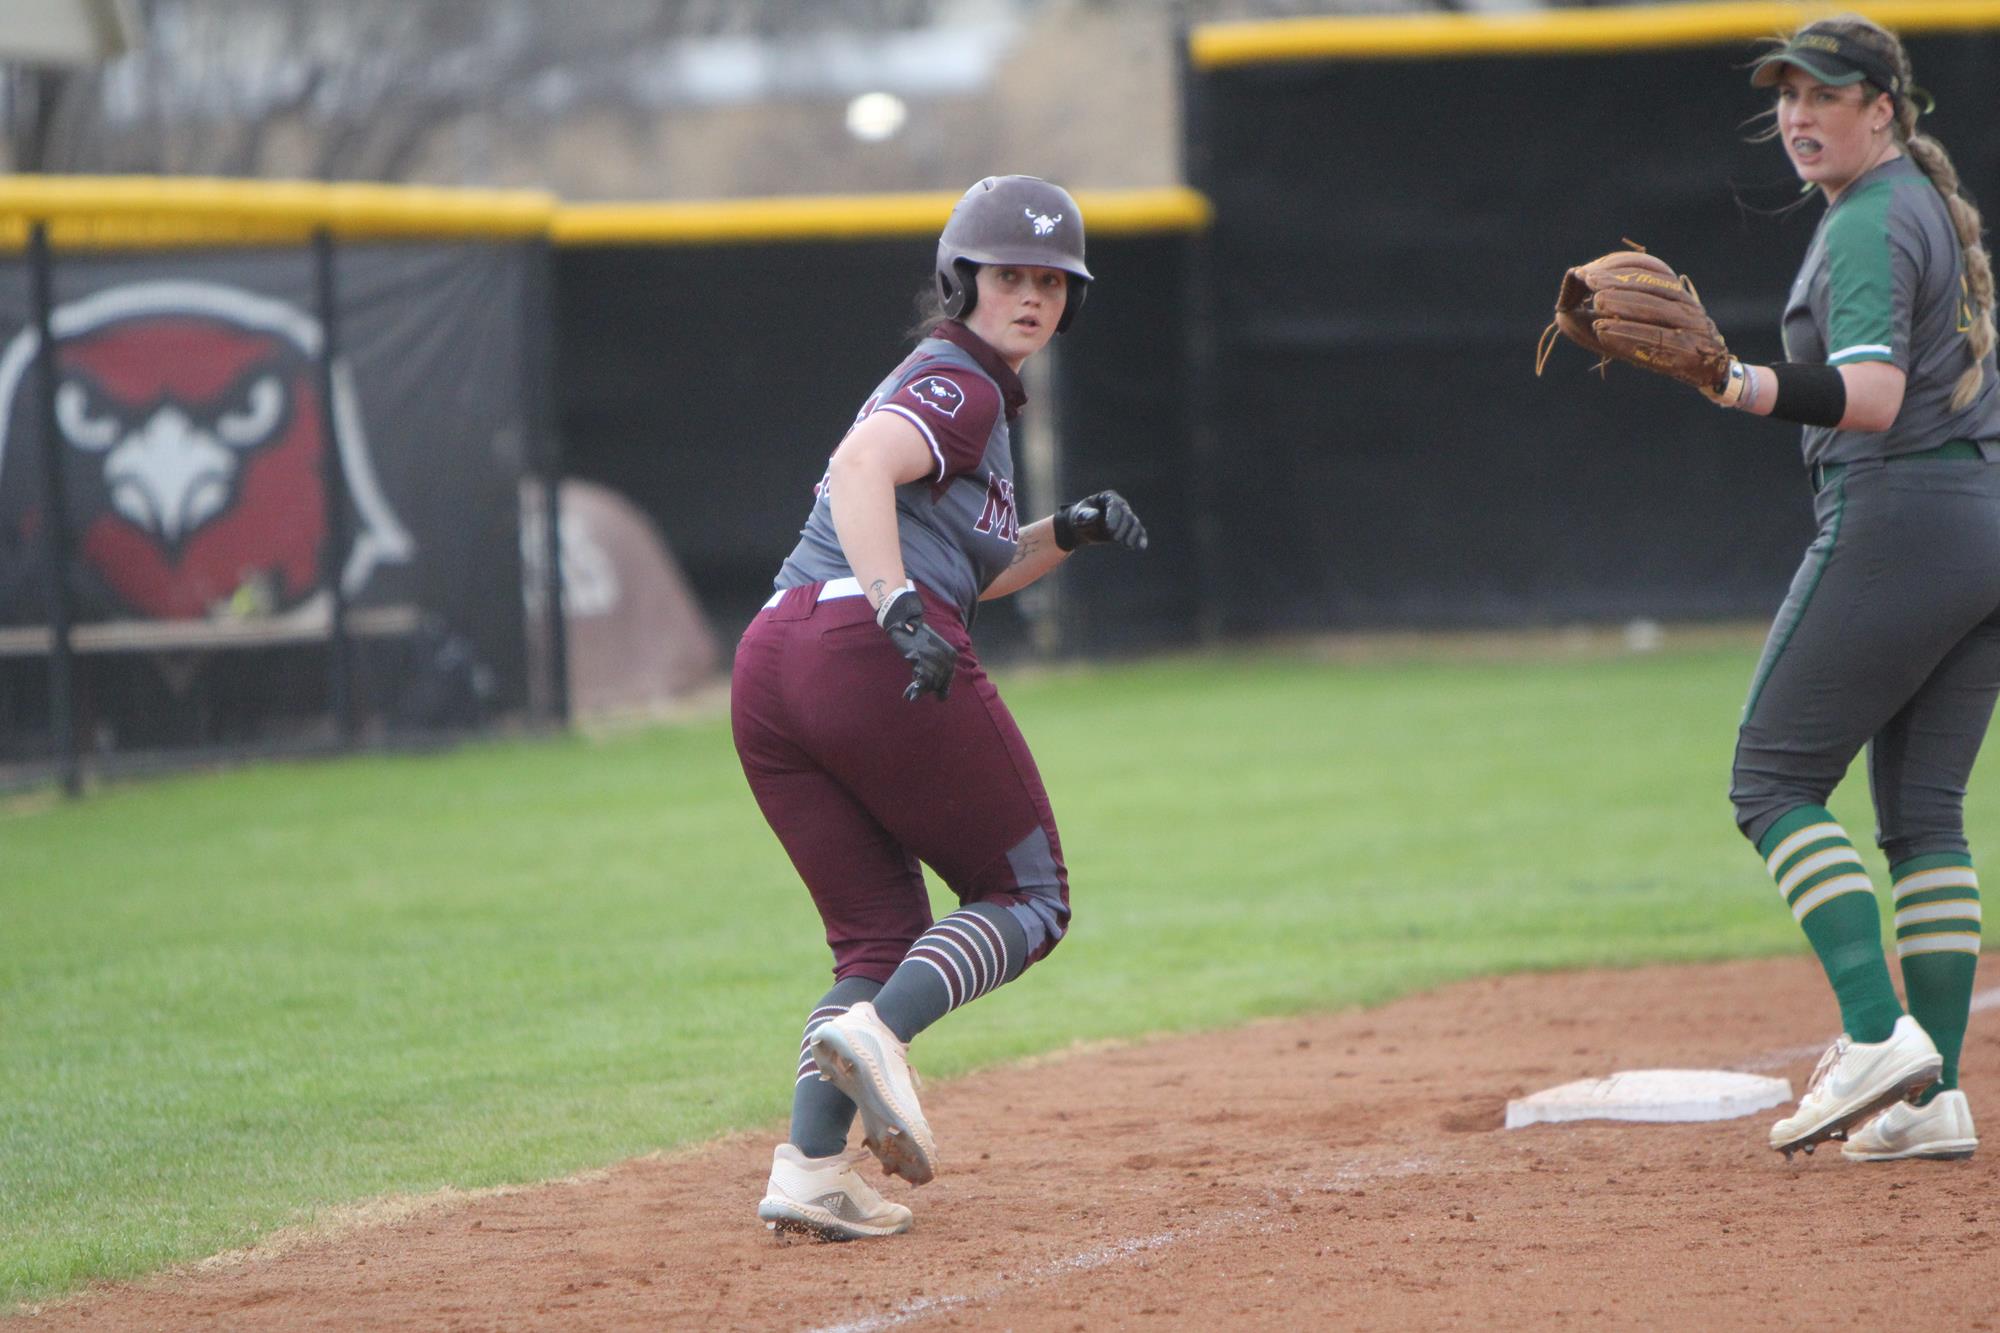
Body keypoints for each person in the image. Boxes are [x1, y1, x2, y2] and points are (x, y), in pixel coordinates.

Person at [731, 174, 1149, 1239]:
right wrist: (897, 608)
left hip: (773, 658)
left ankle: (810, 1167)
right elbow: (860, 465)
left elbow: (977, 566)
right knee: (1029, 895)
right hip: (858, 643)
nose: (1033, 296)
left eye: (1052, 281)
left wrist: (1068, 531)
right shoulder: (962, 382)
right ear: (962, 281)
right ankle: (882, 1034)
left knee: (876, 936)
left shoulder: (961, 391)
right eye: (1010, 275)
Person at [1704, 16, 1998, 1160]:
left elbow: (1869, 398)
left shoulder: (1873, 214)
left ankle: (1876, 1036)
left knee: (1769, 779)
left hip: (1899, 511)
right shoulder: (1915, 204)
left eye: (1822, 94)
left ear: (1881, 109)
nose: (1796, 115)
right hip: (1978, 521)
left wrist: (1735, 381)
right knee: (1922, 819)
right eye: (1784, 95)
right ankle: (1932, 1099)